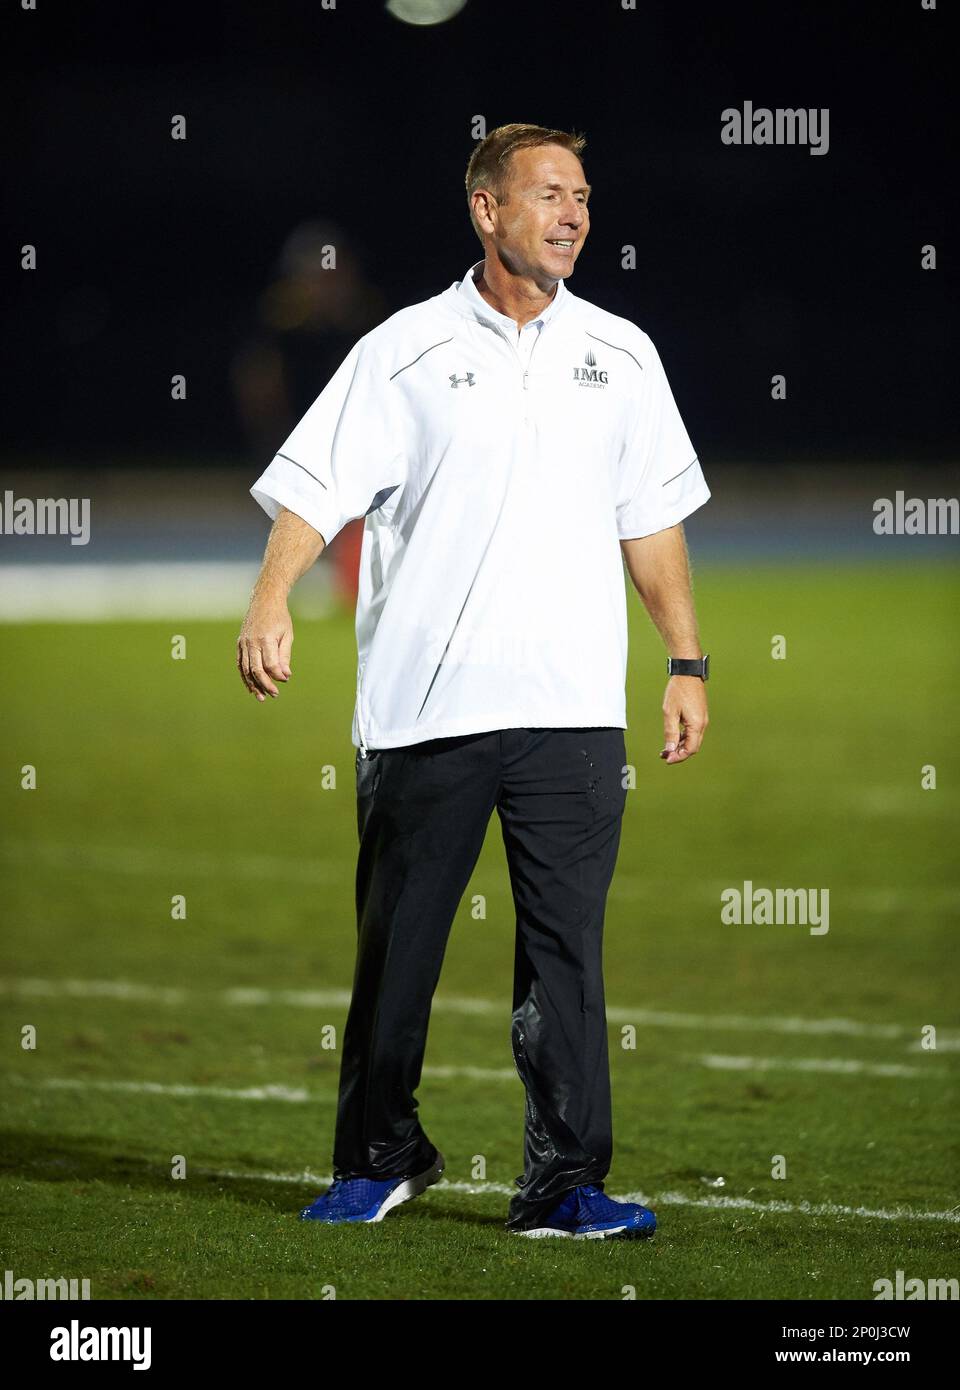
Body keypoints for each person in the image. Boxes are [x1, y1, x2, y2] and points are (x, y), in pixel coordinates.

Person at [237, 123, 711, 1239]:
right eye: (550, 192)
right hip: (427, 709)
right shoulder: (402, 350)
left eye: (585, 195)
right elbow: (316, 485)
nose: (576, 212)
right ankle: (379, 1155)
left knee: (566, 961)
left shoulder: (626, 354)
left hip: (573, 714)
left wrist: (686, 659)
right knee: (397, 950)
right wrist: (270, 597)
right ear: (487, 211)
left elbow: (654, 526)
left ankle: (562, 1182)